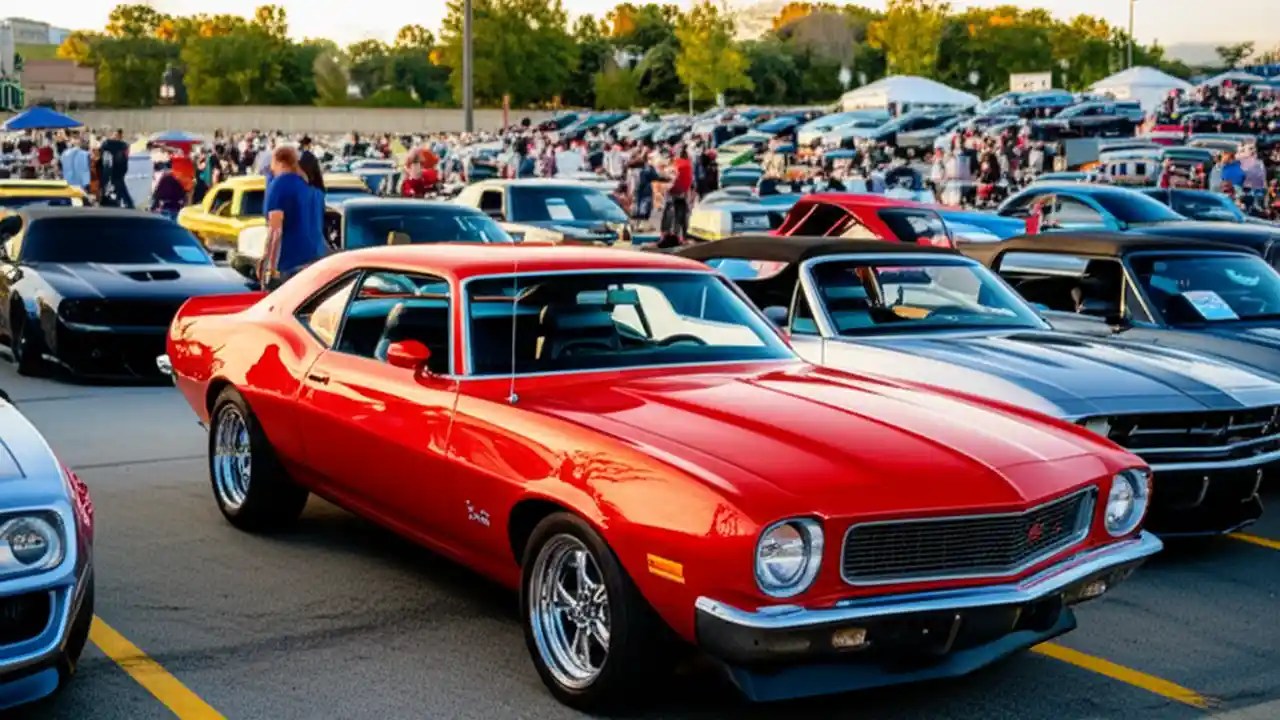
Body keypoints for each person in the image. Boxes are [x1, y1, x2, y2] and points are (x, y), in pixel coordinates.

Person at [259, 146, 326, 290]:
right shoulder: (311, 189)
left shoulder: (279, 184)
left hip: (289, 265)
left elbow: (275, 231)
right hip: (315, 260)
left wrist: (269, 266)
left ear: (279, 161)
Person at [98, 129, 134, 208]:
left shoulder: (106, 144)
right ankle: (129, 205)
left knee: (110, 189)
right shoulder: (123, 146)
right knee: (121, 189)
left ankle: (108, 203)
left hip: (109, 173)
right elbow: (124, 160)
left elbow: (102, 160)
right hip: (118, 173)